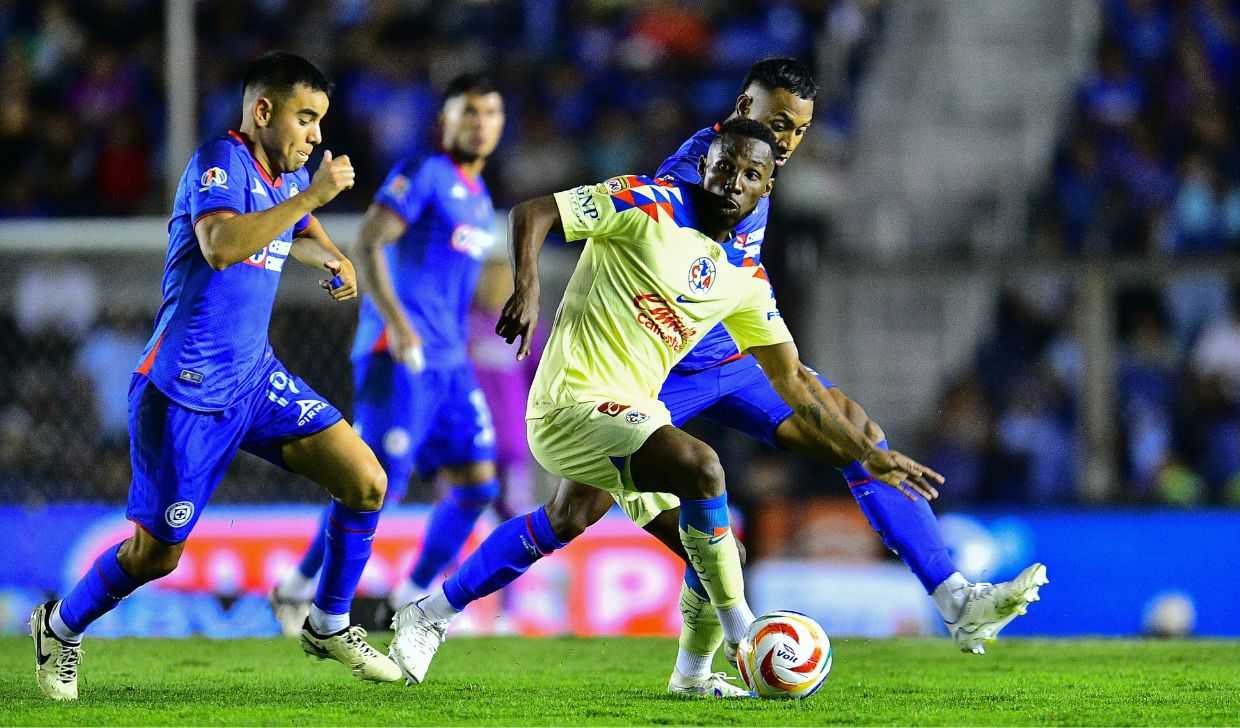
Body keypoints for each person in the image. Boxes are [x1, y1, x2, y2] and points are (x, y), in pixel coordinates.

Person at [387, 118, 945, 692]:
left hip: (633, 415)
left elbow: (794, 382)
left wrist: (864, 453)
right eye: (724, 167)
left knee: (688, 542)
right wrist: (527, 283)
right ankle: (744, 633)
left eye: (750, 174)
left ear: (766, 189)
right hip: (568, 403)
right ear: (704, 167)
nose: (732, 183)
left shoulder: (745, 280)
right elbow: (533, 212)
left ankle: (436, 616)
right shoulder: (645, 202)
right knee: (702, 468)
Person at [556, 57, 1050, 684]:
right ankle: (433, 611)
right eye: (778, 123)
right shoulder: (703, 171)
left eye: (798, 130)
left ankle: (957, 601)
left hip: (730, 359)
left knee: (858, 436)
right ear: (743, 110)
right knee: (573, 512)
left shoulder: (759, 169)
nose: (787, 141)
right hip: (660, 368)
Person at [28, 52, 401, 701]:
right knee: (155, 556)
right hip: (183, 392)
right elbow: (222, 246)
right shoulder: (220, 161)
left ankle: (329, 619)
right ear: (263, 112)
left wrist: (332, 255)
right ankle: (59, 627)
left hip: (254, 380)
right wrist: (313, 194)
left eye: (320, 121)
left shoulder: (280, 176)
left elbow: (300, 228)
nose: (316, 135)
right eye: (306, 118)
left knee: (366, 480)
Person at [267, 73, 507, 633]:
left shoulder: (479, 198)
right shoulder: (423, 173)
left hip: (449, 361)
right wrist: (398, 325)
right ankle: (298, 588)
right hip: (398, 353)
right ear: (443, 121)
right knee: (375, 483)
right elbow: (369, 241)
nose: (479, 124)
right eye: (467, 112)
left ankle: (412, 596)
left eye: (490, 113)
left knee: (478, 484)